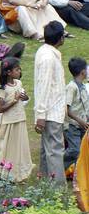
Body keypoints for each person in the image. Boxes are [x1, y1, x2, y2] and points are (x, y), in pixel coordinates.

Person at [34, 22, 68, 184]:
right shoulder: (48, 58)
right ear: (60, 38)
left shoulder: (48, 52)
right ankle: (57, 192)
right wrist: (41, 114)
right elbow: (43, 86)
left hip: (53, 110)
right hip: (50, 112)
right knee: (55, 152)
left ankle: (45, 187)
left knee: (47, 151)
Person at [0, 56, 34, 182]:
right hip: (8, 122)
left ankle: (17, 169)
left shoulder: (19, 83)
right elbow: (0, 108)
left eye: (19, 69)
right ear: (9, 72)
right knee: (6, 148)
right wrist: (14, 101)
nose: (19, 72)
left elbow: (23, 98)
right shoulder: (2, 89)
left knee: (18, 146)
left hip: (19, 119)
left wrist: (24, 97)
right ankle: (2, 172)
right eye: (17, 70)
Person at [64, 58, 89, 176]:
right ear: (83, 72)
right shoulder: (71, 87)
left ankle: (76, 172)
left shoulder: (83, 87)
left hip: (82, 125)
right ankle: (59, 166)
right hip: (72, 125)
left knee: (83, 149)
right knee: (74, 150)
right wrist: (80, 121)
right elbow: (67, 110)